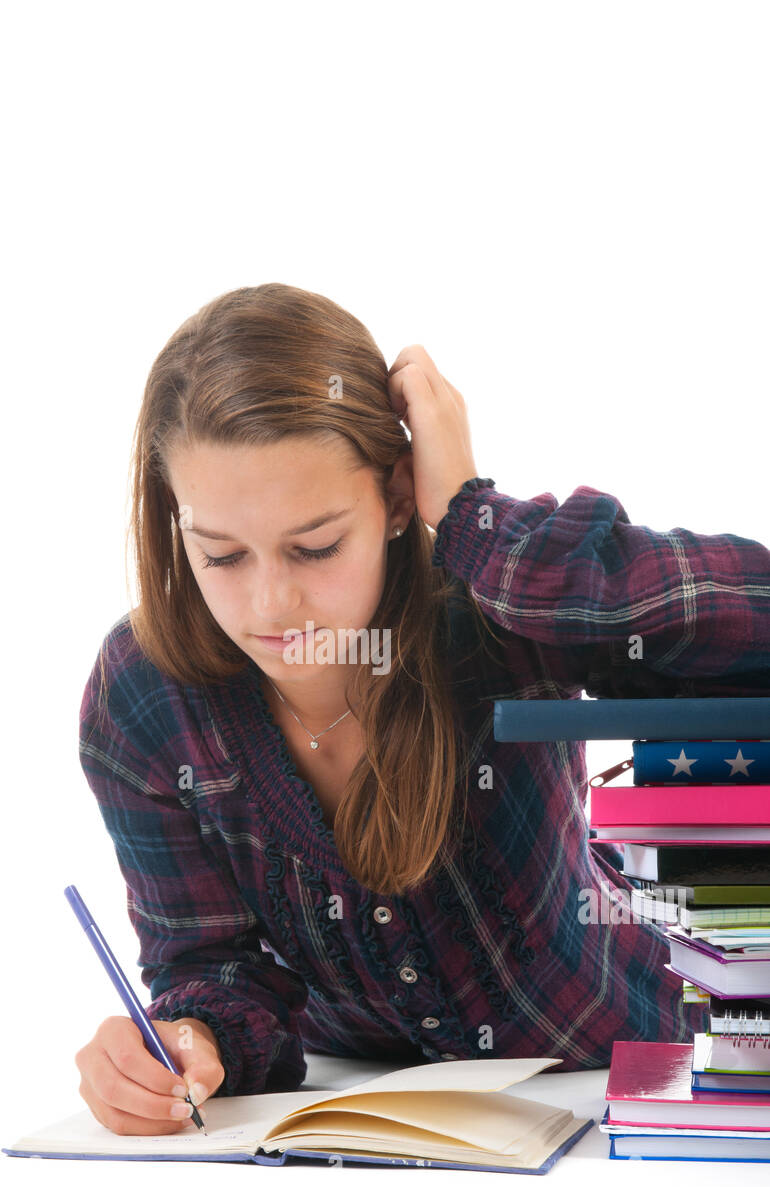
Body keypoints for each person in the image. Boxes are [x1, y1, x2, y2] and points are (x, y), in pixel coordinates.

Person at [74, 282, 770, 1136]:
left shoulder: (491, 610)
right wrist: (187, 1042)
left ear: (397, 498)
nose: (270, 604)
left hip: (620, 1097)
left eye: (316, 545)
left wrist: (478, 522)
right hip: (356, 1129)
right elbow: (214, 968)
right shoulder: (142, 697)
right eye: (220, 555)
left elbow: (754, 624)